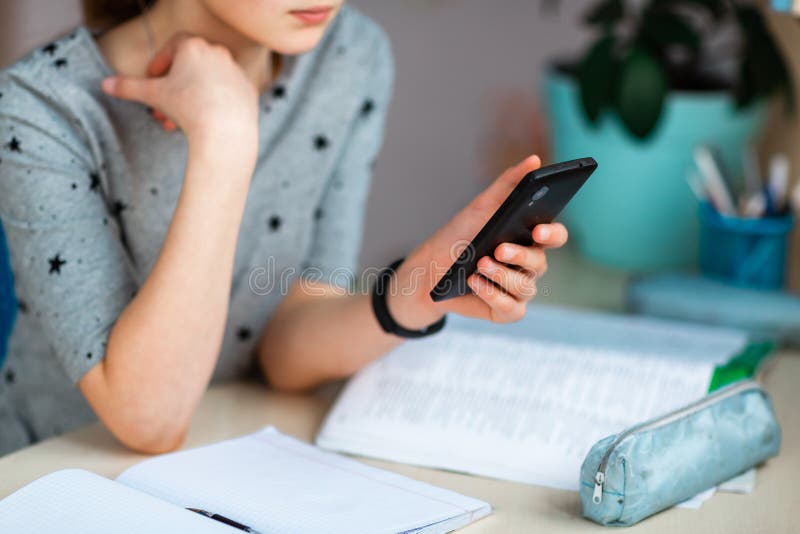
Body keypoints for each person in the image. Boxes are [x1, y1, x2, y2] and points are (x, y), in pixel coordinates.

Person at [0, 0, 568, 456]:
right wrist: (224, 143)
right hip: (55, 473)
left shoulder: (350, 55)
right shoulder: (41, 110)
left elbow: (286, 350)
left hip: (229, 459)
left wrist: (415, 291)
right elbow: (149, 420)